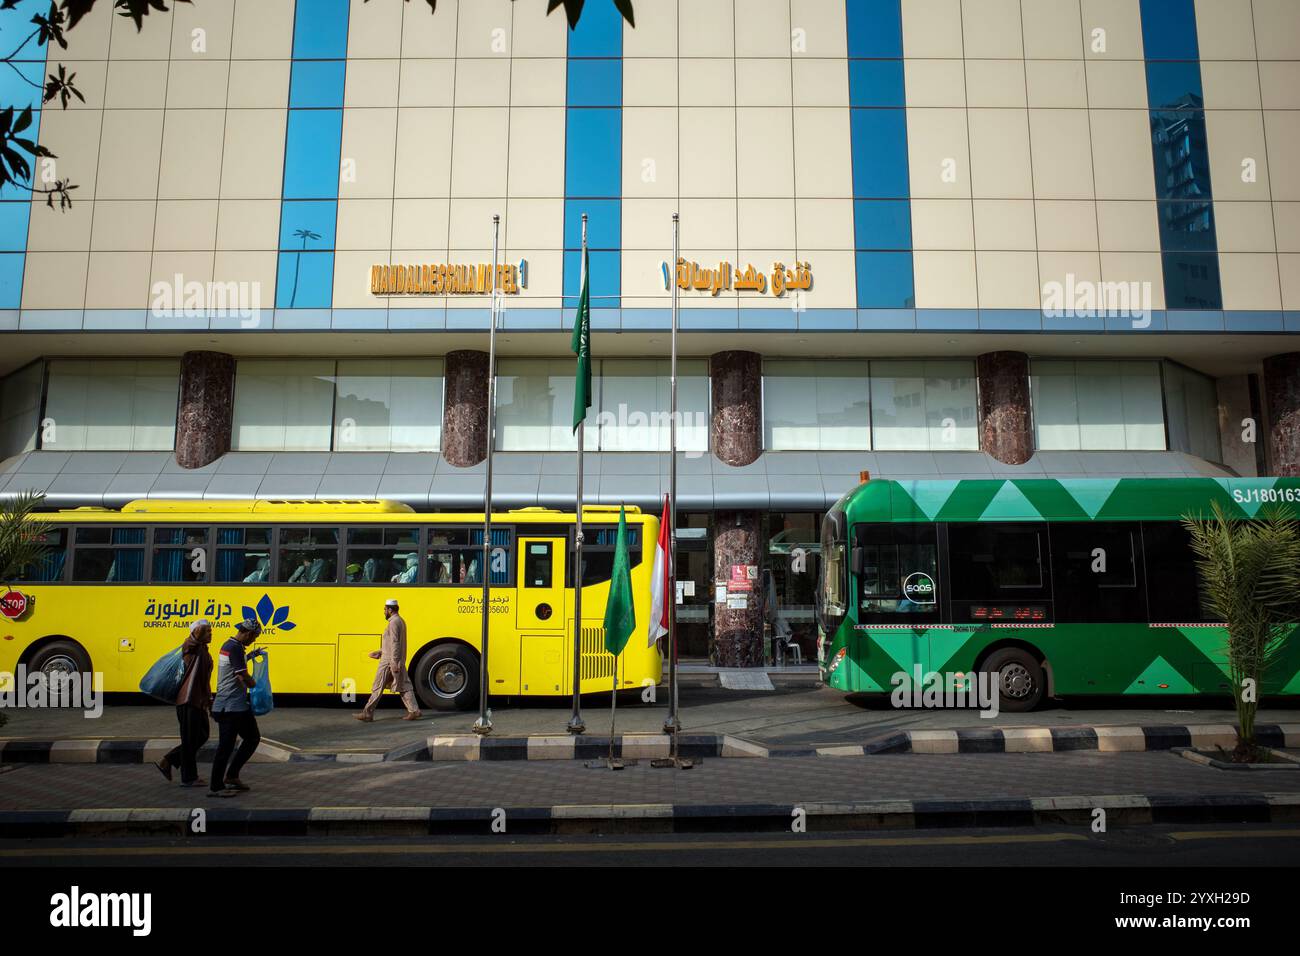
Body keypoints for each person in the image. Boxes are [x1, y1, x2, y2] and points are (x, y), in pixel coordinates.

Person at [208, 618, 264, 798]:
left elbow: (233, 666)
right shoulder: (235, 648)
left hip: (236, 706)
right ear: (247, 633)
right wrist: (255, 684)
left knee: (252, 737)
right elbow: (241, 675)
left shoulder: (231, 646)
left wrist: (249, 657)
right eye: (254, 637)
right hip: (229, 707)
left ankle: (232, 776)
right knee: (226, 746)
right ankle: (217, 786)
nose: (253, 640)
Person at [155, 618, 214, 787]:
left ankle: (169, 760)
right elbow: (190, 641)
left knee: (202, 736)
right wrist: (197, 632)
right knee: (189, 740)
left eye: (211, 631)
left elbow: (205, 680)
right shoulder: (192, 647)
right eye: (207, 631)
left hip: (198, 701)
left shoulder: (203, 650)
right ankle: (189, 778)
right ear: (198, 632)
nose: (211, 634)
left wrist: (209, 700)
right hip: (187, 700)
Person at [353, 598, 421, 722]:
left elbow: (395, 643)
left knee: (378, 686)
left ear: (390, 610)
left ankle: (367, 713)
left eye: (385, 609)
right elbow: (392, 643)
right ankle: (414, 710)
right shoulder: (400, 621)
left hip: (389, 661)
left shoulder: (394, 622)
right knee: (403, 685)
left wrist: (394, 662)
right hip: (393, 659)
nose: (384, 612)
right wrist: (380, 651)